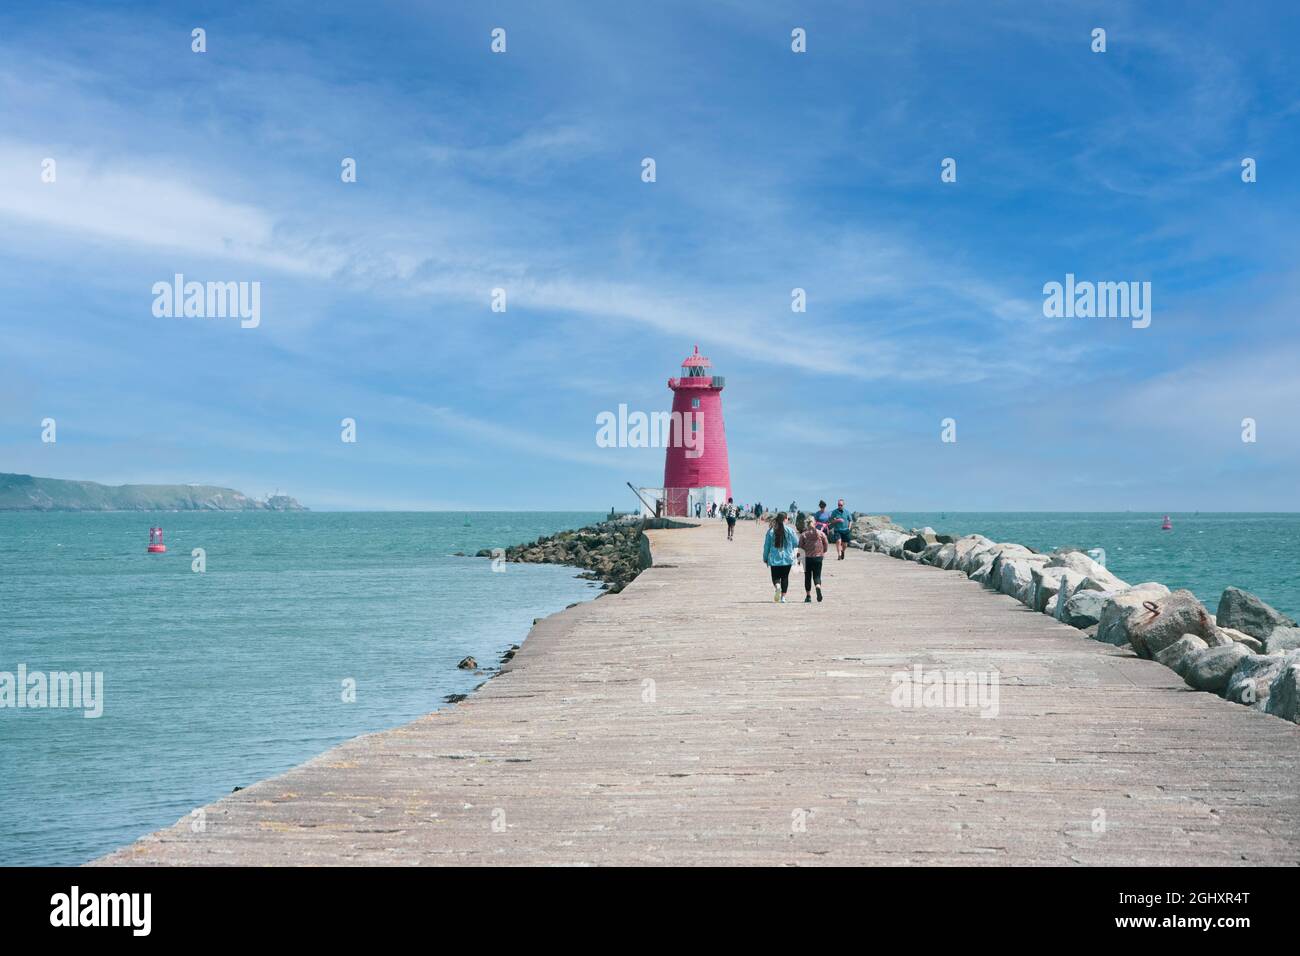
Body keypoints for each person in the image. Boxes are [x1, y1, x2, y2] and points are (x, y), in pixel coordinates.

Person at [762, 512, 800, 602]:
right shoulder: (790, 530)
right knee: (785, 577)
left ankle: (777, 586)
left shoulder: (771, 531)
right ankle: (783, 597)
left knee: (775, 577)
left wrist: (765, 558)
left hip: (774, 558)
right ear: (785, 519)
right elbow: (797, 543)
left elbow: (766, 546)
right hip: (787, 558)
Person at [798, 518, 829, 602]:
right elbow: (826, 544)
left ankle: (808, 596)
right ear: (814, 523)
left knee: (807, 577)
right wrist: (823, 552)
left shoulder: (803, 535)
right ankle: (818, 587)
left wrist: (799, 559)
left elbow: (800, 547)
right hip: (818, 557)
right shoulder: (821, 533)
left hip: (807, 558)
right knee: (817, 575)